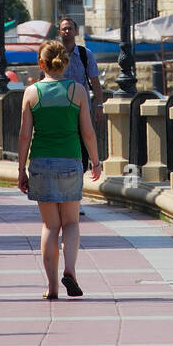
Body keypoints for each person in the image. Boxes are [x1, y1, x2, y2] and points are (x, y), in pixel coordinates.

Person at [17, 41, 102, 299]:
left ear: (41, 64)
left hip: (41, 163)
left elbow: (24, 135)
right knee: (72, 222)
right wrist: (96, 162)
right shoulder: (77, 91)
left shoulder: (31, 93)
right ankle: (70, 270)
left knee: (50, 226)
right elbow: (87, 131)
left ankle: (52, 286)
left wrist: (21, 169)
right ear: (66, 63)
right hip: (70, 161)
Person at [56, 16, 103, 215]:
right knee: (61, 155)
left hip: (80, 113)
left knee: (80, 156)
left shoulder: (85, 54)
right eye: (63, 29)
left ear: (76, 32)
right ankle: (62, 196)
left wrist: (99, 105)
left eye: (70, 29)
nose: (66, 32)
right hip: (57, 113)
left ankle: (75, 196)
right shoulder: (53, 53)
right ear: (59, 32)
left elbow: (95, 81)